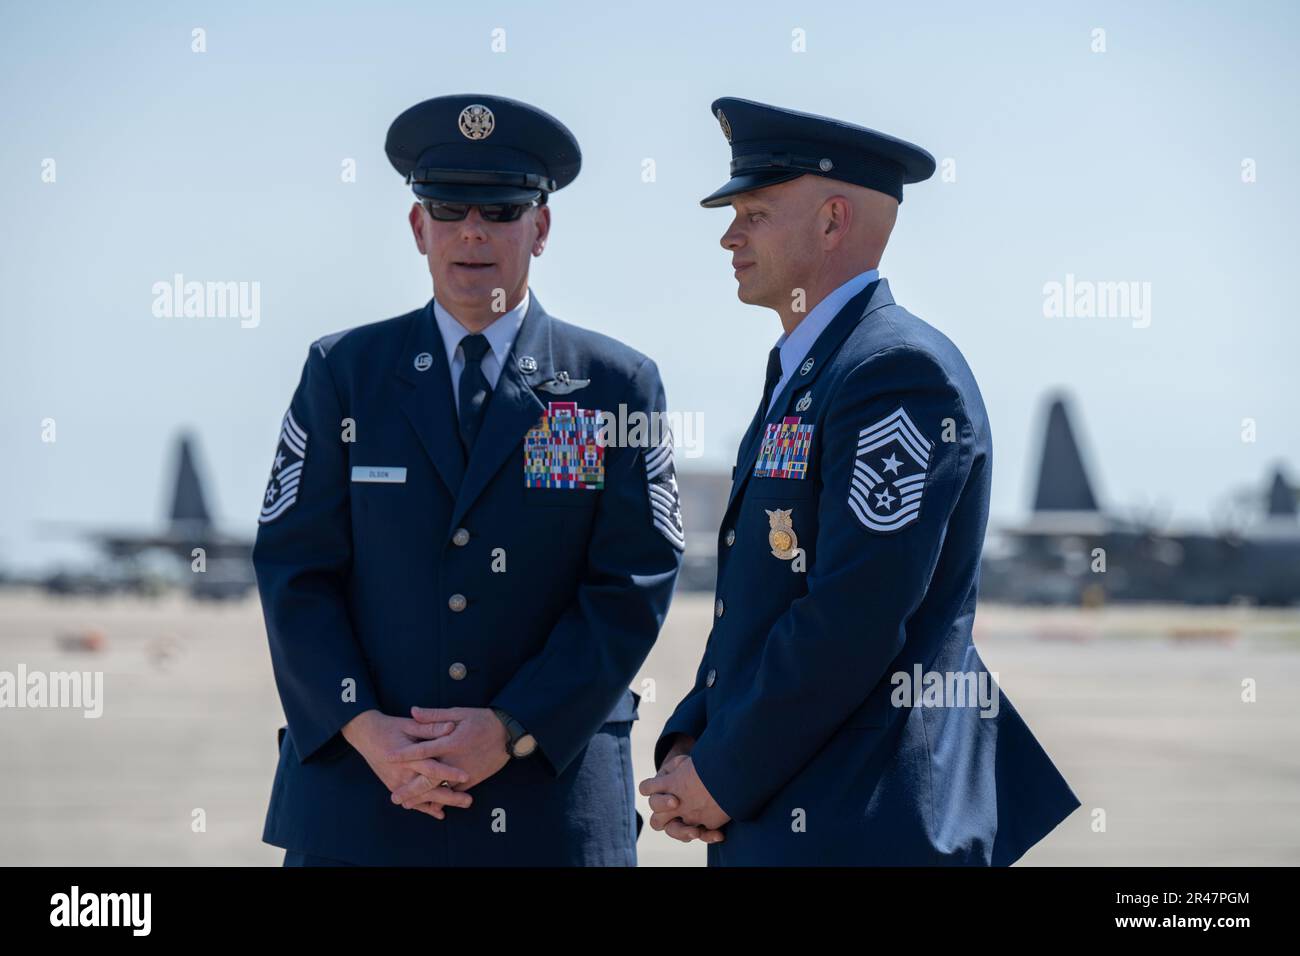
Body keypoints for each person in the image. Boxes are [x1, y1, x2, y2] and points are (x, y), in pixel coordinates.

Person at [641, 97, 1080, 865]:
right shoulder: (812, 368)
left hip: (860, 822)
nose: (729, 235)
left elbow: (854, 614)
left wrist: (724, 770)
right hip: (791, 808)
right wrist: (694, 739)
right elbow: (761, 603)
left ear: (832, 221)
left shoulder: (893, 373)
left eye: (755, 211)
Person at [255, 94, 684, 866]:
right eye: (449, 208)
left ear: (541, 228)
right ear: (418, 228)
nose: (473, 232)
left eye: (501, 208)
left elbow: (632, 582)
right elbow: (294, 568)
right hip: (367, 794)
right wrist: (367, 730)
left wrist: (512, 724)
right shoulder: (345, 373)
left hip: (548, 802)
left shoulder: (615, 386)